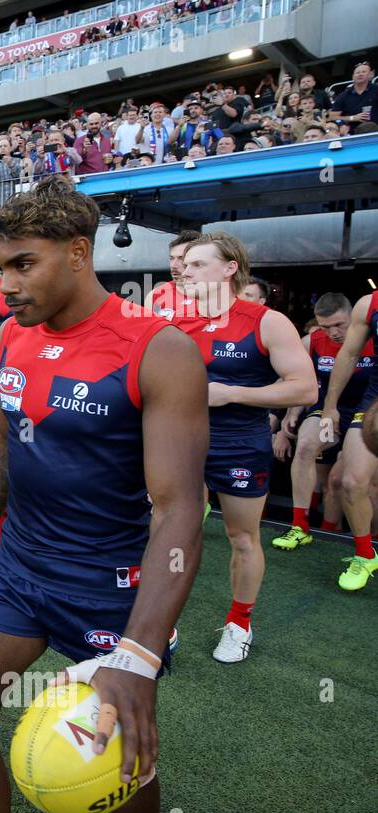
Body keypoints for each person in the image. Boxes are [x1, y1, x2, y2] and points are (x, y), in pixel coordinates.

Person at [0, 177, 208, 813]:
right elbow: (7, 434)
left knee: (126, 753)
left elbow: (179, 510)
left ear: (79, 253)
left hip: (111, 585)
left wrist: (137, 657)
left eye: (23, 264)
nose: (6, 285)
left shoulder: (158, 347)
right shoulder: (17, 336)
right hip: (19, 569)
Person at [174, 233, 315, 660]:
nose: (185, 271)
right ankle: (160, 621)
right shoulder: (174, 321)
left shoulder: (266, 321)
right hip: (181, 442)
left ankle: (239, 623)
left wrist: (233, 393)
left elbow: (304, 388)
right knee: (173, 534)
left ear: (229, 268)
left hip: (240, 445)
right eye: (183, 264)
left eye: (197, 264)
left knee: (241, 538)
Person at [272, 294, 368, 551]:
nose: (333, 333)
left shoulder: (372, 338)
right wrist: (291, 415)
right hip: (329, 409)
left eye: (339, 325)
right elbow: (299, 382)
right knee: (304, 446)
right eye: (326, 326)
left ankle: (365, 542)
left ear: (353, 317)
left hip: (368, 414)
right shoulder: (311, 342)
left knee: (342, 479)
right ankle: (299, 526)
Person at [319, 289, 378, 589]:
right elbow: (349, 354)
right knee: (351, 481)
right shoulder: (370, 304)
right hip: (373, 403)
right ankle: (366, 554)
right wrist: (330, 407)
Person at [148, 230, 202, 321]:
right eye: (171, 258)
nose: (173, 265)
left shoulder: (215, 292)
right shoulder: (155, 294)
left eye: (181, 258)